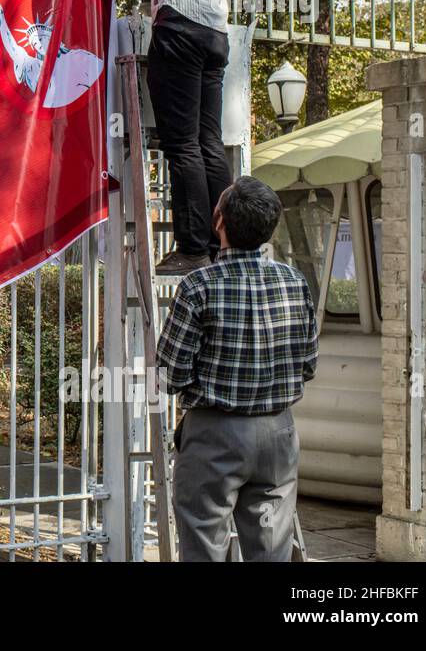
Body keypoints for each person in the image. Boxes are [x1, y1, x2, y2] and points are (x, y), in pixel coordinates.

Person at [80, 0, 235, 275]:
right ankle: (223, 244)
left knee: (182, 144)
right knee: (210, 142)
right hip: (215, 34)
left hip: (178, 30)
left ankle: (191, 248)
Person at [157, 176, 318, 562]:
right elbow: (308, 365)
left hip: (215, 433)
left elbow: (168, 374)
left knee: (204, 544)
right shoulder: (295, 282)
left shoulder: (198, 286)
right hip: (279, 433)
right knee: (271, 548)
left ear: (218, 222)